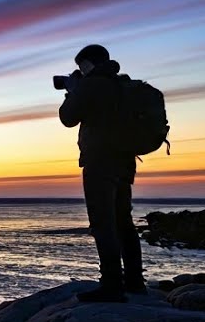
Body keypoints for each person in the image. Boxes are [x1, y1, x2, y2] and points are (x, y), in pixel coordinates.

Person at [58, 43, 145, 303]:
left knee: (103, 223)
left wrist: (73, 91)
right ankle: (135, 282)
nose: (79, 71)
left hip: (100, 161)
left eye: (80, 66)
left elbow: (67, 117)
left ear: (88, 63)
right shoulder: (121, 84)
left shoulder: (92, 84)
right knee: (123, 222)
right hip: (124, 161)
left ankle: (111, 285)